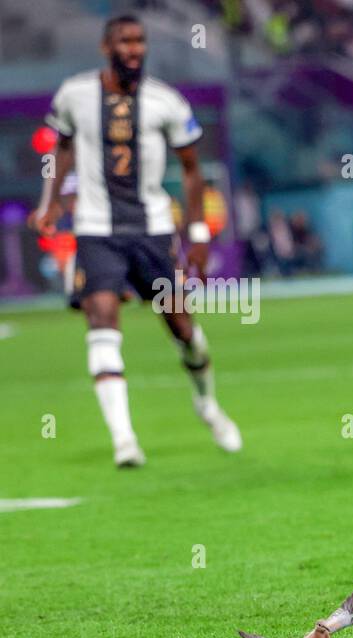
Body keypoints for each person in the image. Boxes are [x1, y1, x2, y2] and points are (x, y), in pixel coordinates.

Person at [36, 14, 240, 467]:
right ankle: (124, 440)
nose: (134, 49)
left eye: (140, 41)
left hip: (152, 230)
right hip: (95, 229)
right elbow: (62, 147)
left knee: (182, 329)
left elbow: (192, 169)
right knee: (102, 321)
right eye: (125, 41)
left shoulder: (166, 101)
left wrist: (199, 233)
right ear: (106, 47)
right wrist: (50, 202)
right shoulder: (74, 94)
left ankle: (206, 402)